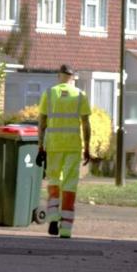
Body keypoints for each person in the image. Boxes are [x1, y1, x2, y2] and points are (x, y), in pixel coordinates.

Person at [38, 64, 92, 239]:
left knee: (54, 180)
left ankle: (53, 217)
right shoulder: (80, 96)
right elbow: (86, 124)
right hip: (73, 146)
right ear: (73, 77)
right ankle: (66, 229)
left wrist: (40, 146)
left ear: (58, 76)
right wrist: (88, 148)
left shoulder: (49, 94)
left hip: (53, 146)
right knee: (69, 185)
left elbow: (42, 123)